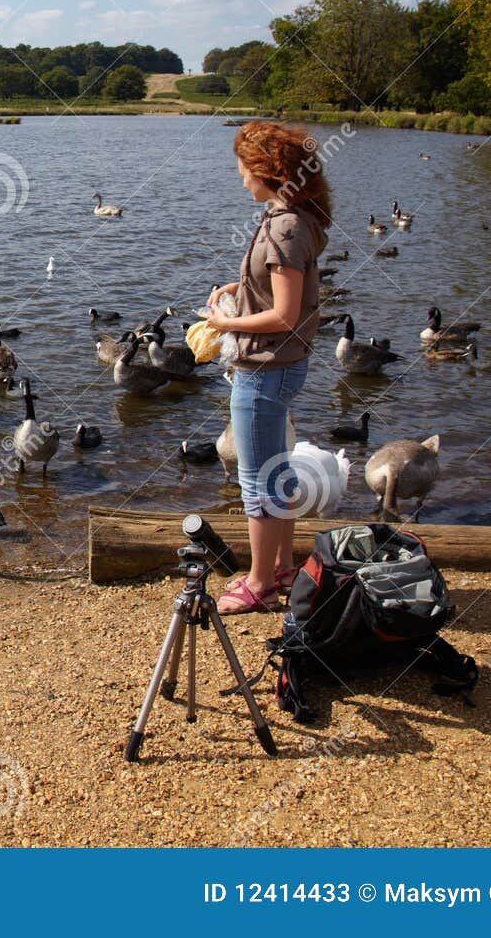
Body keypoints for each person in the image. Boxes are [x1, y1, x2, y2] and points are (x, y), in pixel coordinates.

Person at [203, 122, 331, 614]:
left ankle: (259, 584)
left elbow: (284, 314)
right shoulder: (296, 215)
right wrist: (239, 290)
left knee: (256, 480)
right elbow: (282, 289)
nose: (240, 180)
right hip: (285, 364)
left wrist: (219, 322)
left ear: (267, 171)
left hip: (264, 369)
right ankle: (281, 565)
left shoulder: (283, 227)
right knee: (278, 471)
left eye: (243, 170)